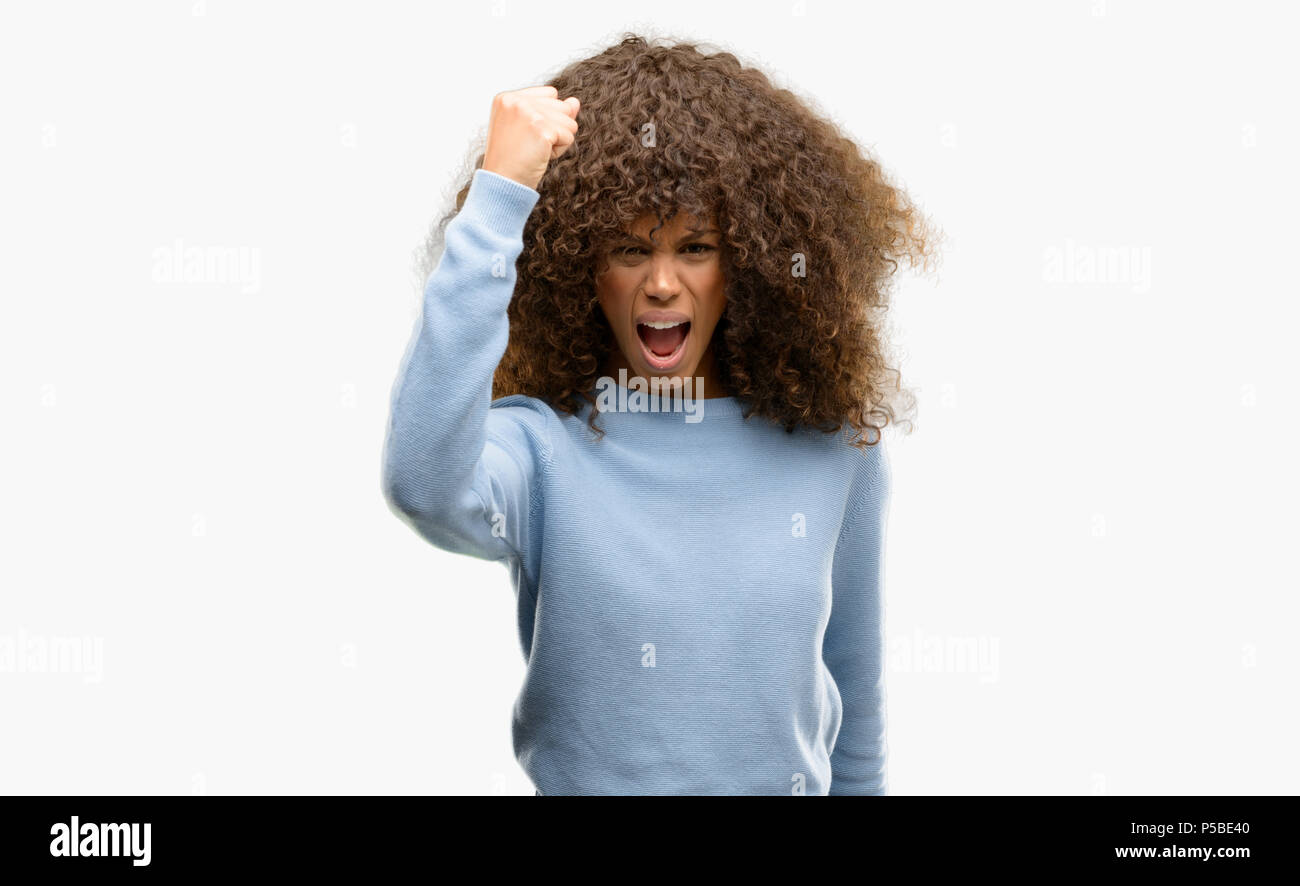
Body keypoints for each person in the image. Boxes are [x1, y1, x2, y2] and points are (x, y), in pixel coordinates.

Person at [382, 33, 937, 796]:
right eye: (629, 250)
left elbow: (855, 691)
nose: (664, 285)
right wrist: (500, 196)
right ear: (581, 267)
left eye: (697, 247)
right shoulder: (543, 448)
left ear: (750, 262)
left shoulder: (833, 449)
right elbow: (423, 484)